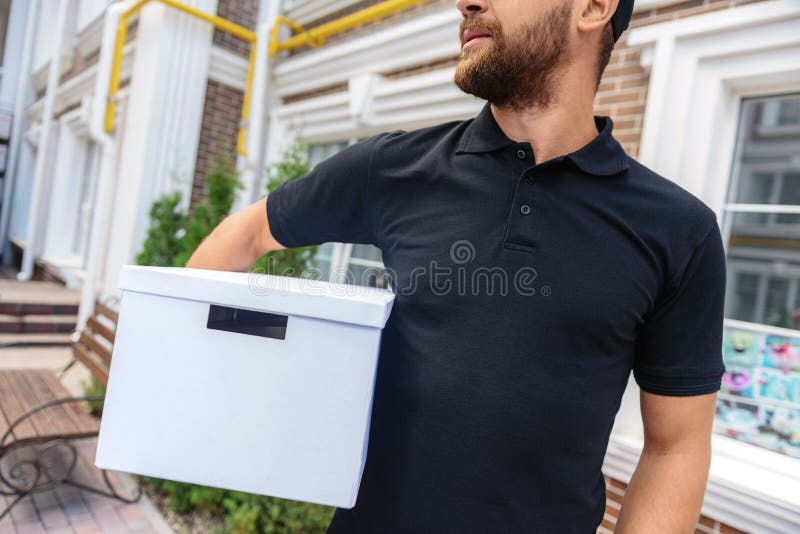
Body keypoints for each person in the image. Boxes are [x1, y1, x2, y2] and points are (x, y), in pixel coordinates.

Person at [187, 0, 727, 532]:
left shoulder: (679, 232)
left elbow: (674, 448)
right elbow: (247, 233)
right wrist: (197, 396)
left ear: (593, 8)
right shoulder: (394, 168)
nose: (464, 3)